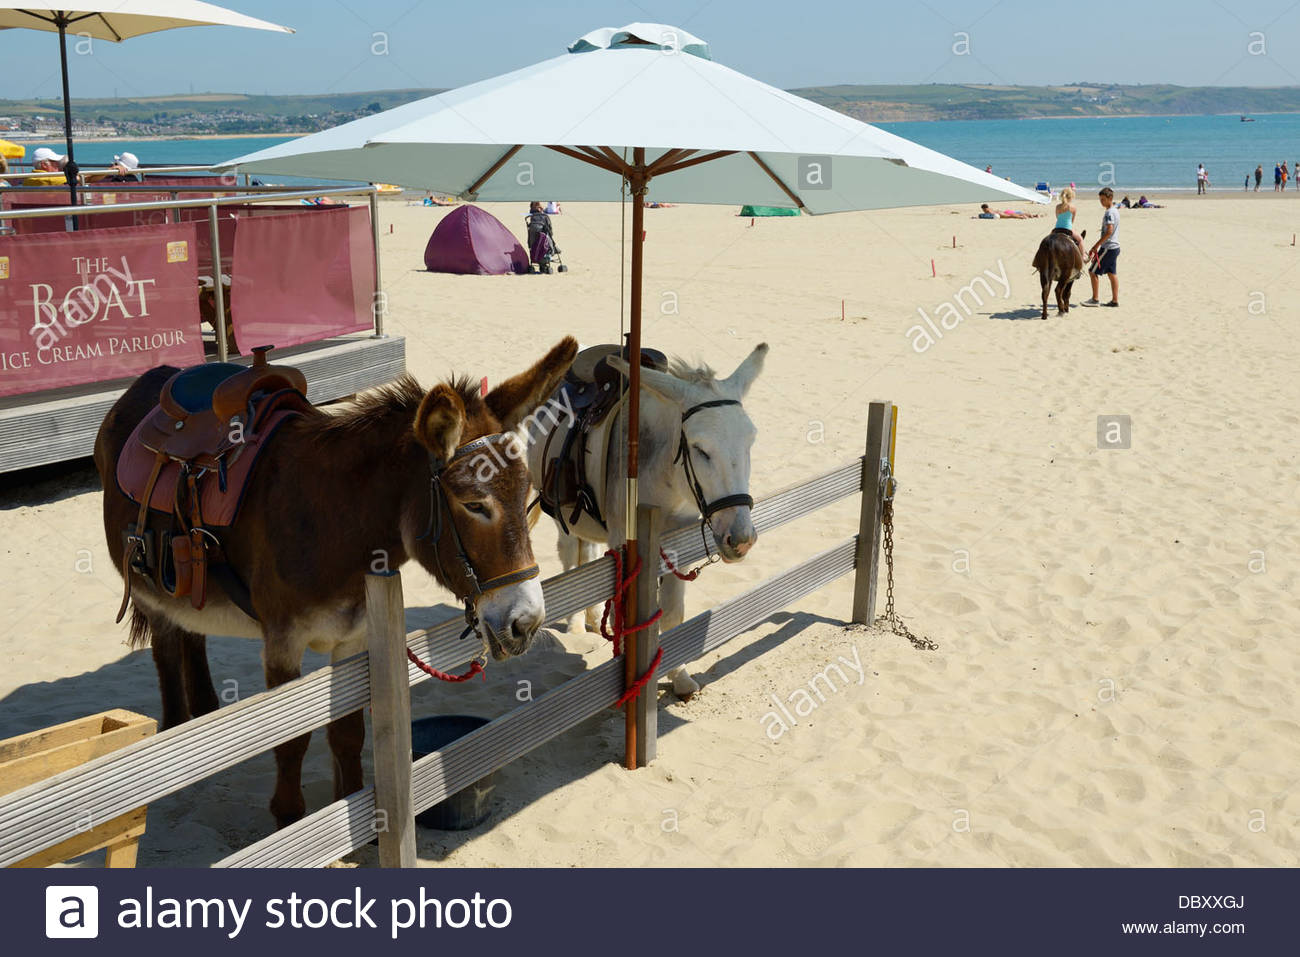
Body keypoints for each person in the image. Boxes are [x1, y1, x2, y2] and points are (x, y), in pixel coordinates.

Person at [1083, 187, 1120, 308]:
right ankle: (1114, 301)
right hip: (1114, 247)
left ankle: (1095, 299)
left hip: (1108, 248)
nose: (1101, 202)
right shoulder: (1114, 210)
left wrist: (1096, 246)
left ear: (1110, 198)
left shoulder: (1109, 213)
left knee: (1092, 272)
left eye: (1103, 199)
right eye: (1100, 199)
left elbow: (1109, 231)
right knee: (1111, 273)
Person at [1054, 186, 1084, 256]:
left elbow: (1057, 217)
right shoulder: (1073, 208)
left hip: (1057, 229)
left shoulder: (1057, 206)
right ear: (1071, 197)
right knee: (1080, 240)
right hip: (1067, 229)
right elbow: (1072, 221)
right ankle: (1083, 257)